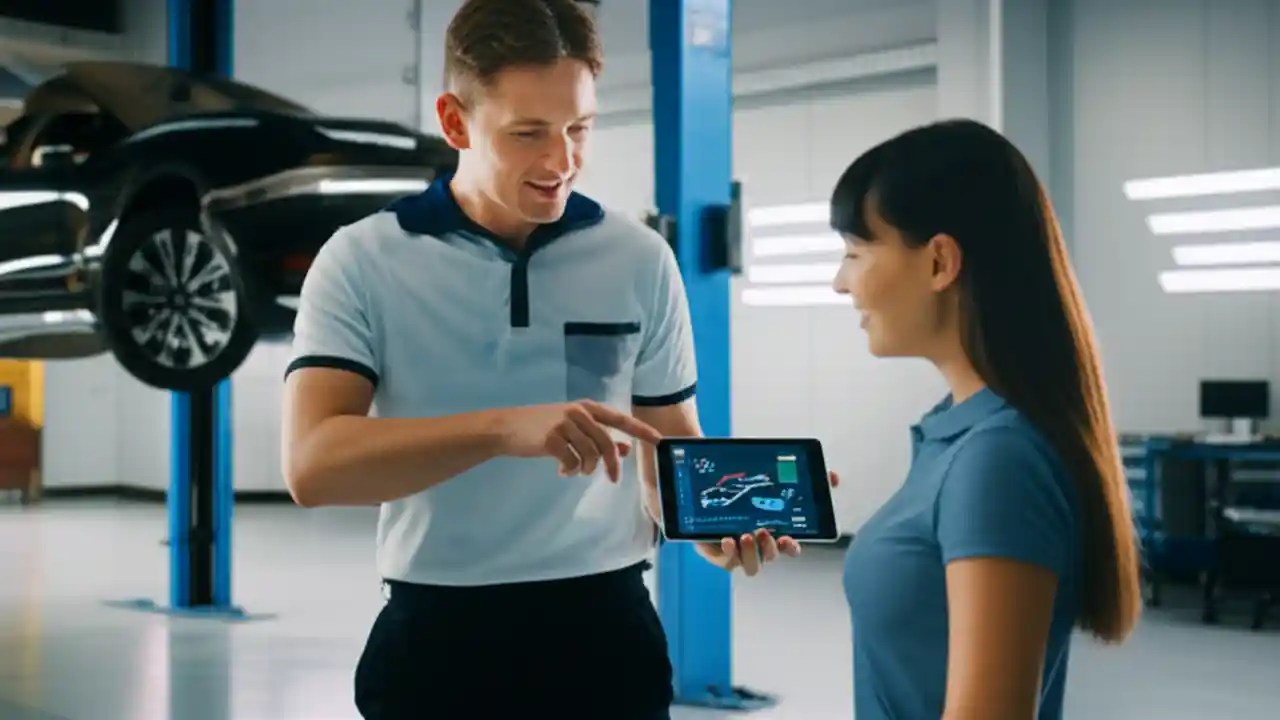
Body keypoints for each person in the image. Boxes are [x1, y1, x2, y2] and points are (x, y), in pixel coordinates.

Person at [280, 1, 800, 718]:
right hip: (436, 642)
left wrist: (719, 530)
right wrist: (500, 429)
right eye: (528, 134)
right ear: (456, 121)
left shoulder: (639, 259)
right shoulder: (362, 260)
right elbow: (313, 464)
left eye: (578, 129)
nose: (561, 162)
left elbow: (666, 446)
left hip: (605, 637)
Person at [832, 119, 1142, 720]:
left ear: (940, 262)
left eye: (854, 252)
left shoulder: (998, 459)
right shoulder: (957, 431)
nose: (840, 282)